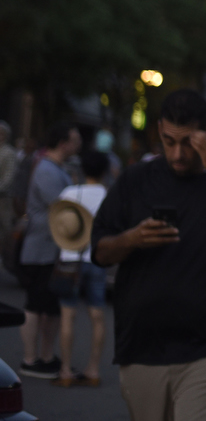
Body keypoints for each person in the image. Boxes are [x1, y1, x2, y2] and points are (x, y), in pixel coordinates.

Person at [91, 89, 206, 421]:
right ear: (159, 129)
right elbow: (101, 251)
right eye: (168, 141)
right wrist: (132, 239)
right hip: (142, 347)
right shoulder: (136, 180)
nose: (178, 154)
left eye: (187, 142)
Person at [19, 122, 80, 379]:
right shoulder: (47, 170)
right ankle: (30, 359)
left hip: (51, 249)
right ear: (63, 142)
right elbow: (63, 209)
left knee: (50, 306)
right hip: (40, 249)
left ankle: (46, 357)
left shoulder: (55, 168)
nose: (78, 144)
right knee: (35, 304)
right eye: (75, 139)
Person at [50, 149, 111, 387]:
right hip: (96, 258)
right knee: (97, 315)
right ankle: (93, 369)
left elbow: (57, 223)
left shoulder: (69, 193)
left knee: (68, 315)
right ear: (105, 171)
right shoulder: (109, 195)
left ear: (83, 170)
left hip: (69, 258)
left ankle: (65, 370)